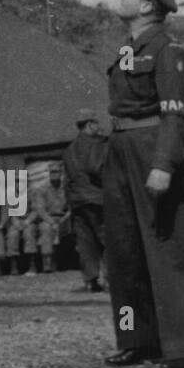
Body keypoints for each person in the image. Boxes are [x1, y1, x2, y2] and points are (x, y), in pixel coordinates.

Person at [101, 0, 184, 368]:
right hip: (122, 150)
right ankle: (137, 339)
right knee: (124, 253)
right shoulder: (128, 48)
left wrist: (164, 163)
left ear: (146, 5)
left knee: (165, 251)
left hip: (151, 150)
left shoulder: (167, 51)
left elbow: (173, 114)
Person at [63, 110, 108, 291]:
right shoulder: (97, 144)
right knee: (107, 240)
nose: (100, 127)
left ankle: (91, 280)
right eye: (97, 123)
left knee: (86, 242)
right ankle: (113, 280)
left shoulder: (69, 149)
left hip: (77, 201)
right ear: (90, 125)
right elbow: (97, 169)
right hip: (97, 199)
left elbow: (67, 179)